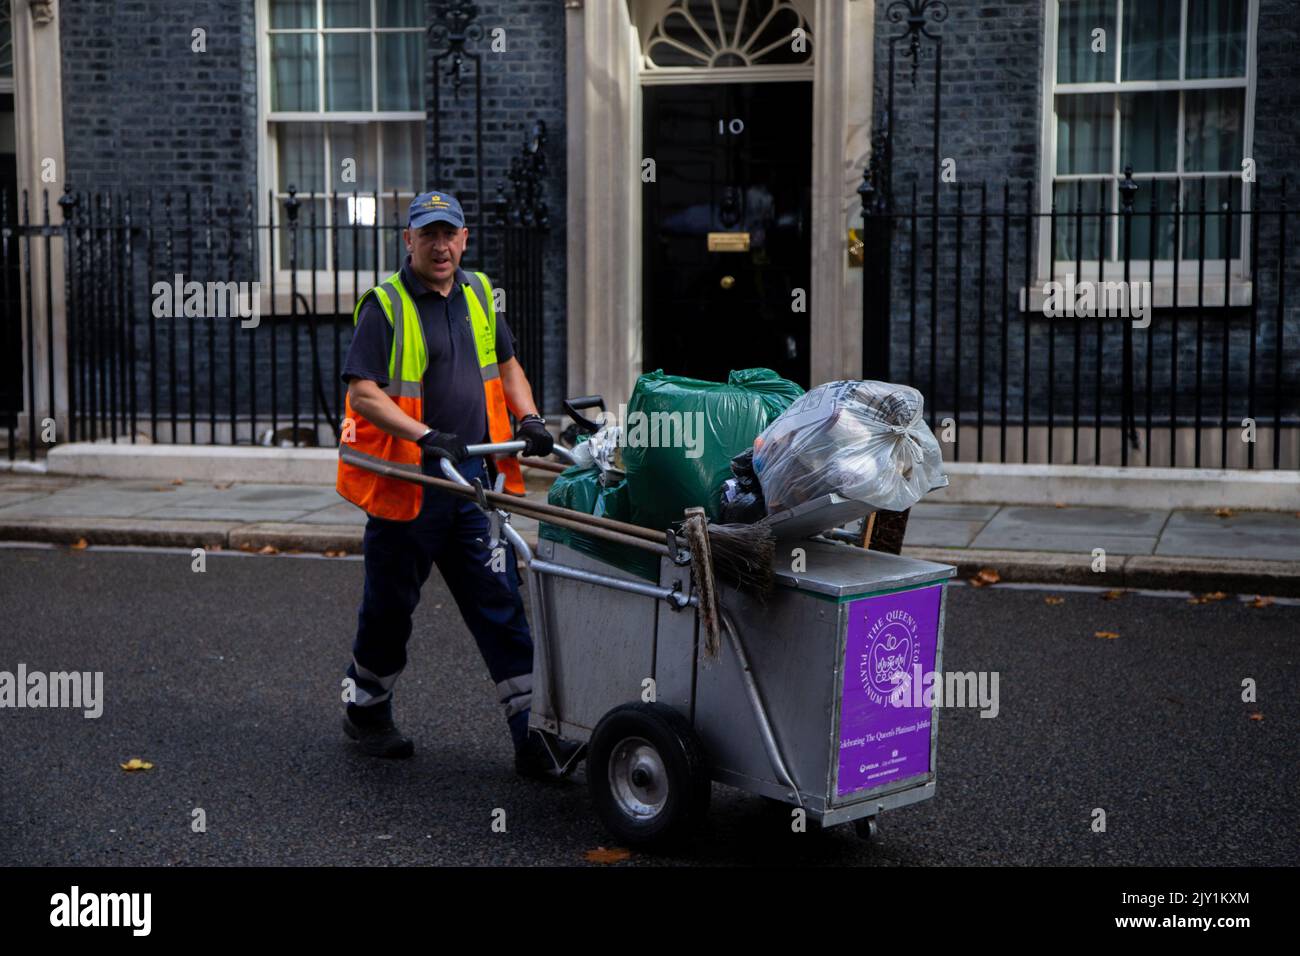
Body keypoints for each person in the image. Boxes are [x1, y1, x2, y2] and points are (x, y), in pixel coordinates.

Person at [334, 189, 567, 779]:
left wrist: (530, 418)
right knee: (389, 612)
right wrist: (425, 433)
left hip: (472, 487)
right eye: (428, 235)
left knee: (500, 603)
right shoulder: (384, 306)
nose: (441, 246)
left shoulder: (481, 293)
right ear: (408, 241)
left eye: (450, 234)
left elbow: (506, 364)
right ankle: (365, 711)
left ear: (464, 239)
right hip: (409, 489)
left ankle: (532, 736)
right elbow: (363, 393)